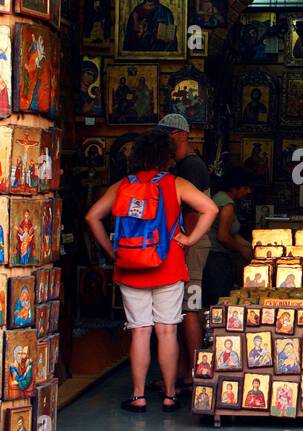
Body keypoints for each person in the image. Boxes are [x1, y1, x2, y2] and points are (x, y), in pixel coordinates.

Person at [86, 128, 217, 413]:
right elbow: (210, 209)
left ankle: (138, 396)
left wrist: (112, 251)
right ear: (167, 157)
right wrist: (190, 239)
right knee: (167, 331)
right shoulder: (176, 183)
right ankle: (170, 395)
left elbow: (92, 216)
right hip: (168, 266)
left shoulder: (122, 185)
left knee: (140, 332)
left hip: (130, 267)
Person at [155, 114, 213, 394]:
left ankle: (192, 371)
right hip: (187, 244)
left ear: (179, 135)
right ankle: (181, 370)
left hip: (191, 245)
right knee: (181, 309)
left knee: (190, 308)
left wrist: (185, 244)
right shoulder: (185, 165)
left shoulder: (191, 166)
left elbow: (193, 213)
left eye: (165, 135)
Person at [203, 167, 254, 305]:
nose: (248, 191)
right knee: (218, 299)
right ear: (235, 188)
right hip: (215, 258)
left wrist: (251, 246)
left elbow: (232, 233)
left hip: (211, 256)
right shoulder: (227, 204)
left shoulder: (220, 197)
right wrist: (241, 249)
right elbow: (223, 236)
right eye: (245, 187)